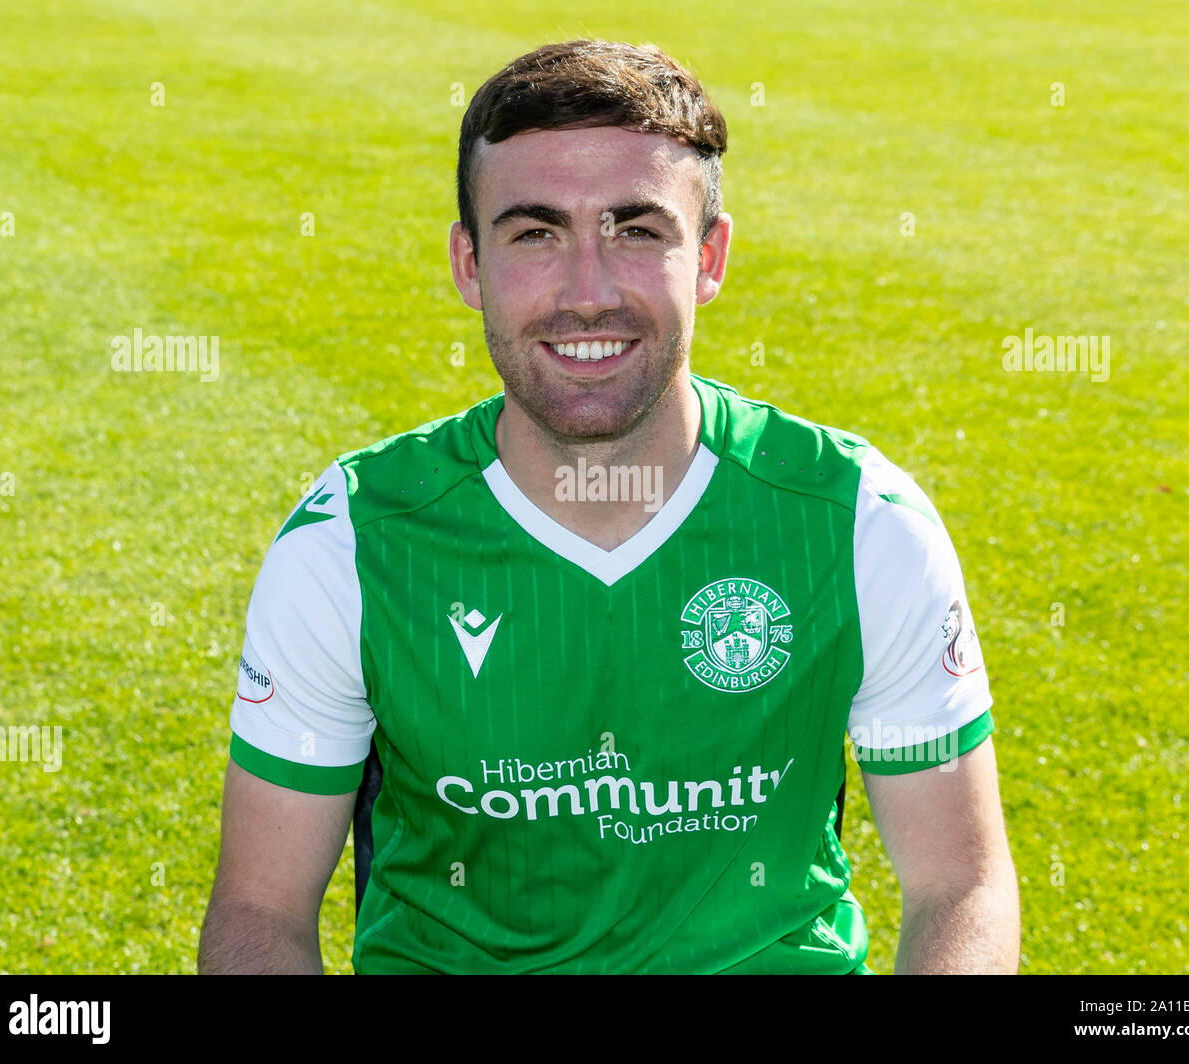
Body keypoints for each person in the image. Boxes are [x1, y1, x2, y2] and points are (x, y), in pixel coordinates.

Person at [198, 39, 1019, 974]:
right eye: (536, 234)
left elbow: (960, 886)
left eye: (636, 230)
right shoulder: (354, 542)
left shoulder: (857, 520)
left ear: (708, 256)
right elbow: (261, 912)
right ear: (469, 265)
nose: (587, 294)